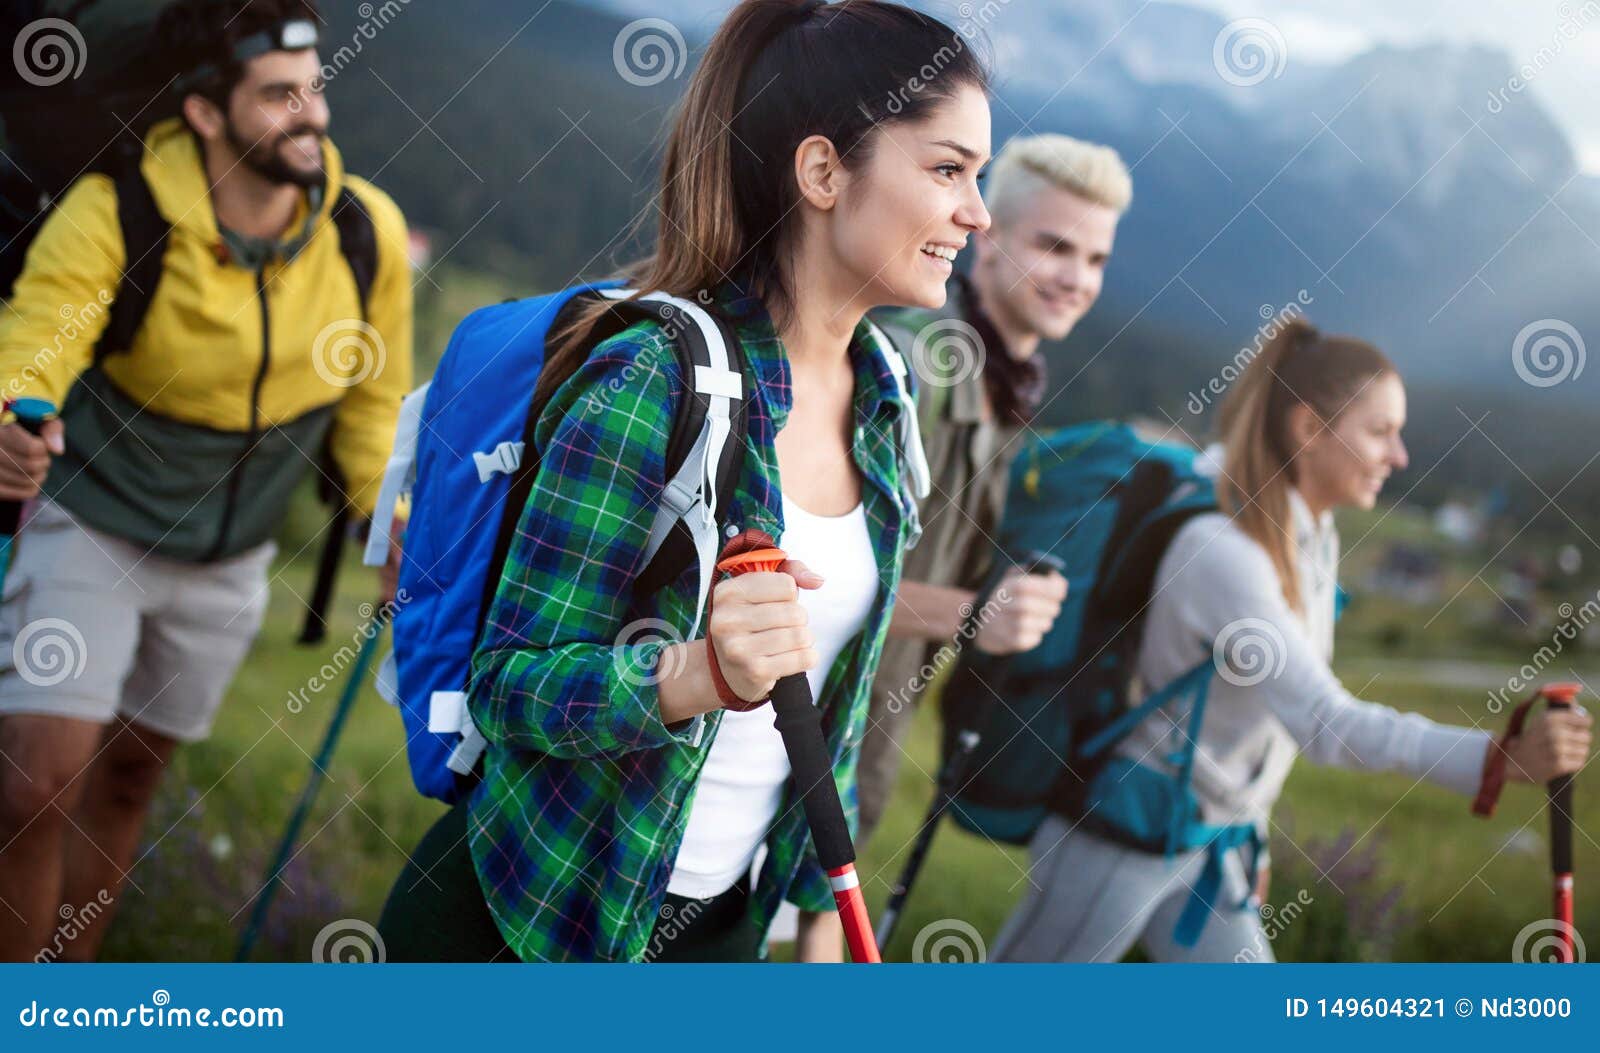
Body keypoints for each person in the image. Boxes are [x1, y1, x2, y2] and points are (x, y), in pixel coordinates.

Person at [376, 0, 991, 963]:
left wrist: (819, 932)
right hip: (530, 918)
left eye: (978, 176)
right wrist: (699, 672)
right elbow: (507, 688)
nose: (976, 212)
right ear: (825, 171)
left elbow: (838, 703)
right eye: (948, 169)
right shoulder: (653, 384)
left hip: (720, 930)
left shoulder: (889, 395)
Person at [0, 0, 412, 961]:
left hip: (230, 555)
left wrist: (382, 531)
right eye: (277, 98)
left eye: (313, 91)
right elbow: (37, 330)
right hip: (95, 520)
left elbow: (371, 402)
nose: (309, 118)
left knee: (131, 779)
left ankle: (70, 987)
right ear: (205, 115)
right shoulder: (121, 206)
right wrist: (13, 416)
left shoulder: (363, 233)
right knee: (34, 786)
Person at [990, 319, 1593, 962]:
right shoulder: (1224, 554)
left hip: (1209, 842)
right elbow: (1326, 724)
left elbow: (1268, 721)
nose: (1400, 455)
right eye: (1381, 431)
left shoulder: (1313, 535)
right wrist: (1499, 759)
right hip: (1123, 834)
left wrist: (1251, 832)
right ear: (1310, 429)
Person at [857, 134, 1132, 842]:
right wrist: (975, 613)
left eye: (1097, 258)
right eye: (1055, 246)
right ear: (988, 236)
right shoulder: (910, 366)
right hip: (779, 746)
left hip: (853, 763)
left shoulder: (1000, 393)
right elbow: (806, 574)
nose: (1077, 277)